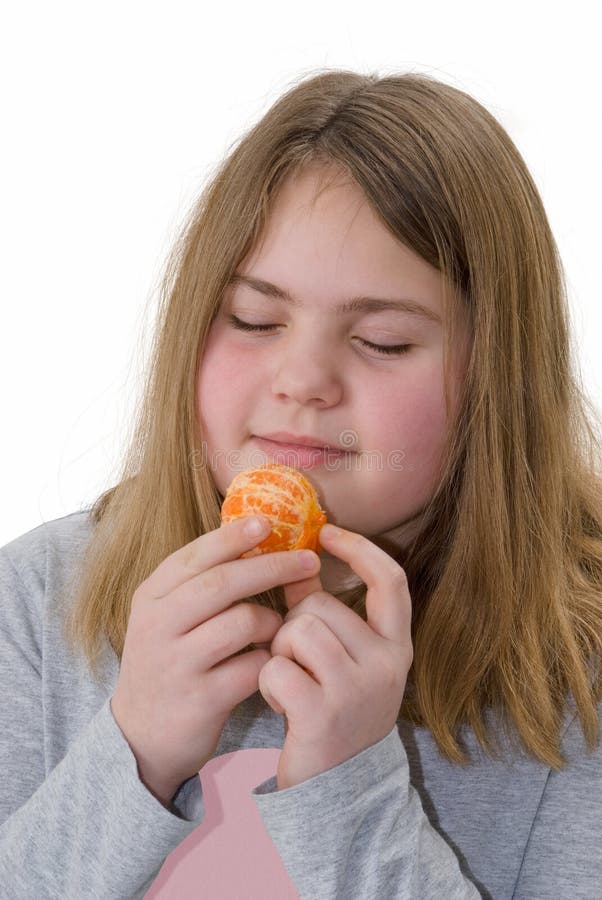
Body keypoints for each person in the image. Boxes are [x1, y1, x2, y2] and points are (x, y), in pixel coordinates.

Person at [1, 68, 601, 900]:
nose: (302, 380)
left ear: (498, 378)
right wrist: (132, 749)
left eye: (384, 341)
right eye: (254, 320)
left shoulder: (581, 673)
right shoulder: (40, 598)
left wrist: (346, 785)